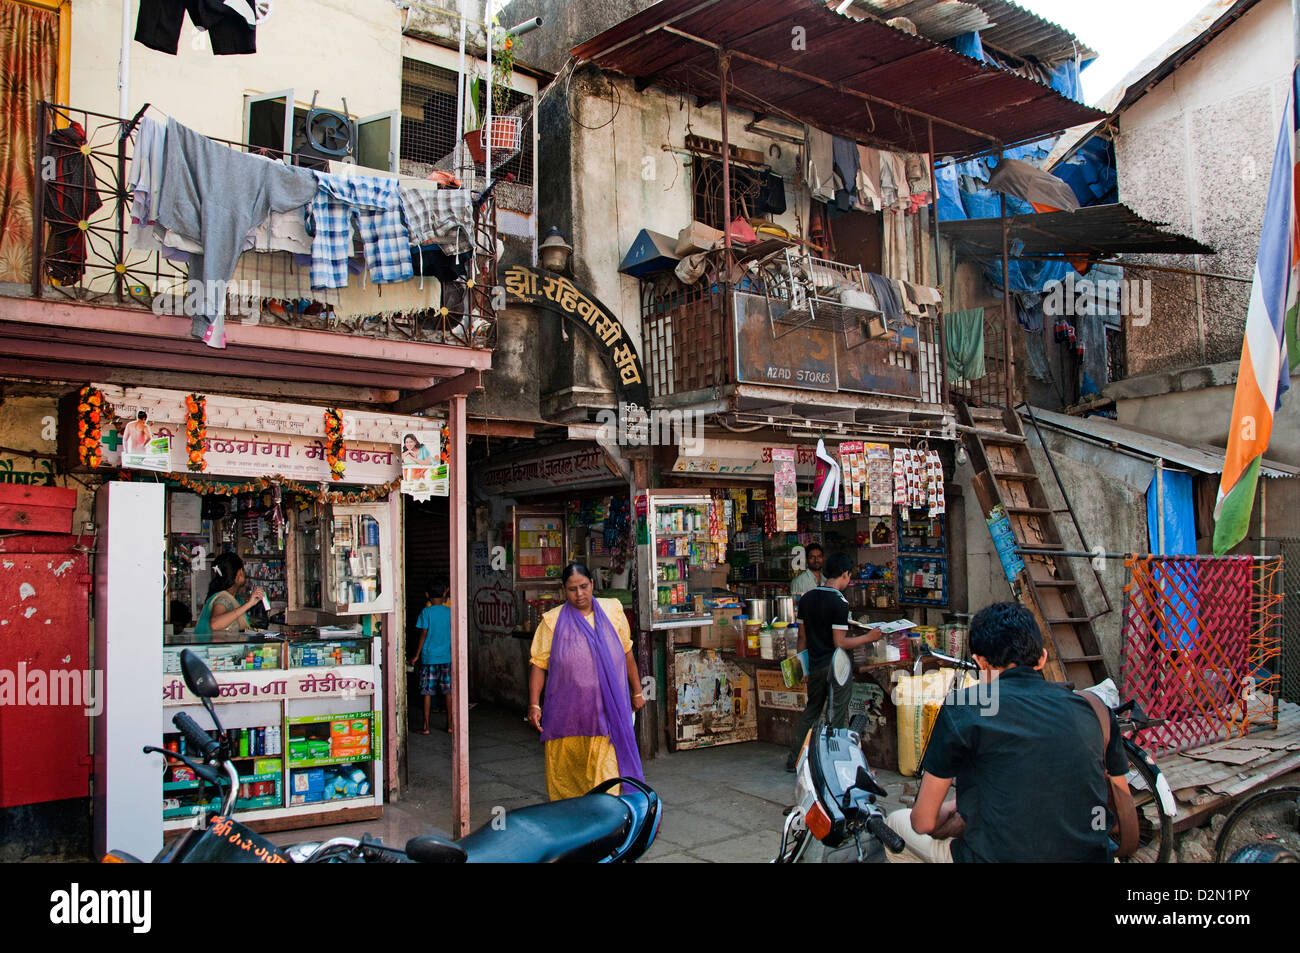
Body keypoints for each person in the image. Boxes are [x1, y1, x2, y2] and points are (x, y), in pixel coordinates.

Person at [884, 602, 1129, 863]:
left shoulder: (964, 707)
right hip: (1093, 857)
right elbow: (1119, 802)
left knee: (894, 824)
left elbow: (923, 822)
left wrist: (957, 808)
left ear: (979, 661)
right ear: (1043, 658)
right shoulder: (1095, 709)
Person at [527, 563, 646, 800]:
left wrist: (637, 691)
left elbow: (626, 653)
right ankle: (574, 825)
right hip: (567, 715)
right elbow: (538, 664)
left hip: (606, 713)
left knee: (606, 780)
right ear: (564, 590)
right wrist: (534, 704)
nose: (579, 594)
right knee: (568, 778)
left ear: (592, 584)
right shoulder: (551, 621)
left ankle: (606, 823)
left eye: (583, 586)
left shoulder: (612, 611)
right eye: (572, 589)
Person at [786, 552, 883, 770]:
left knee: (812, 711)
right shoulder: (839, 602)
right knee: (838, 713)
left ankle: (794, 760)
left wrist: (804, 668)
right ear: (845, 575)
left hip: (815, 663)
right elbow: (839, 642)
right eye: (850, 576)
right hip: (836, 665)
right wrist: (869, 637)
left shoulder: (807, 598)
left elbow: (802, 638)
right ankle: (836, 763)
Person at [409, 579, 452, 735]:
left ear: (427, 595)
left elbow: (423, 635)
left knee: (427, 692)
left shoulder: (425, 612)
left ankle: (426, 726)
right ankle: (450, 725)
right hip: (447, 656)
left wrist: (416, 656)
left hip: (429, 658)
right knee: (448, 692)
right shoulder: (450, 612)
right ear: (444, 593)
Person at [194, 552, 265, 636]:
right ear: (239, 573)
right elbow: (215, 624)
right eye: (242, 569)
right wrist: (249, 604)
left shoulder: (235, 598)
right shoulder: (223, 598)